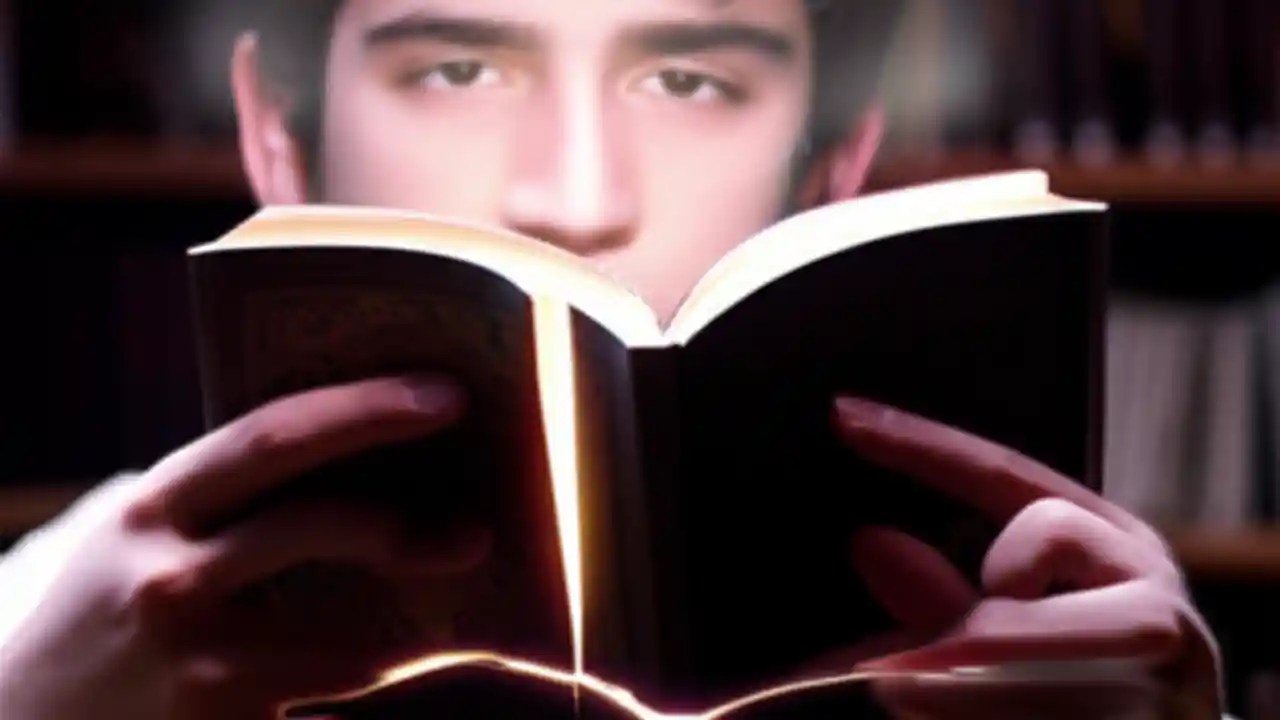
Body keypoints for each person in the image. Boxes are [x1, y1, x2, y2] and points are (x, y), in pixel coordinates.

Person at [0, 1, 1223, 718]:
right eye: (458, 68)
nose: (574, 200)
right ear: (277, 135)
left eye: (685, 80)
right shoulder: (44, 638)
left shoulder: (1006, 640)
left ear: (831, 171)